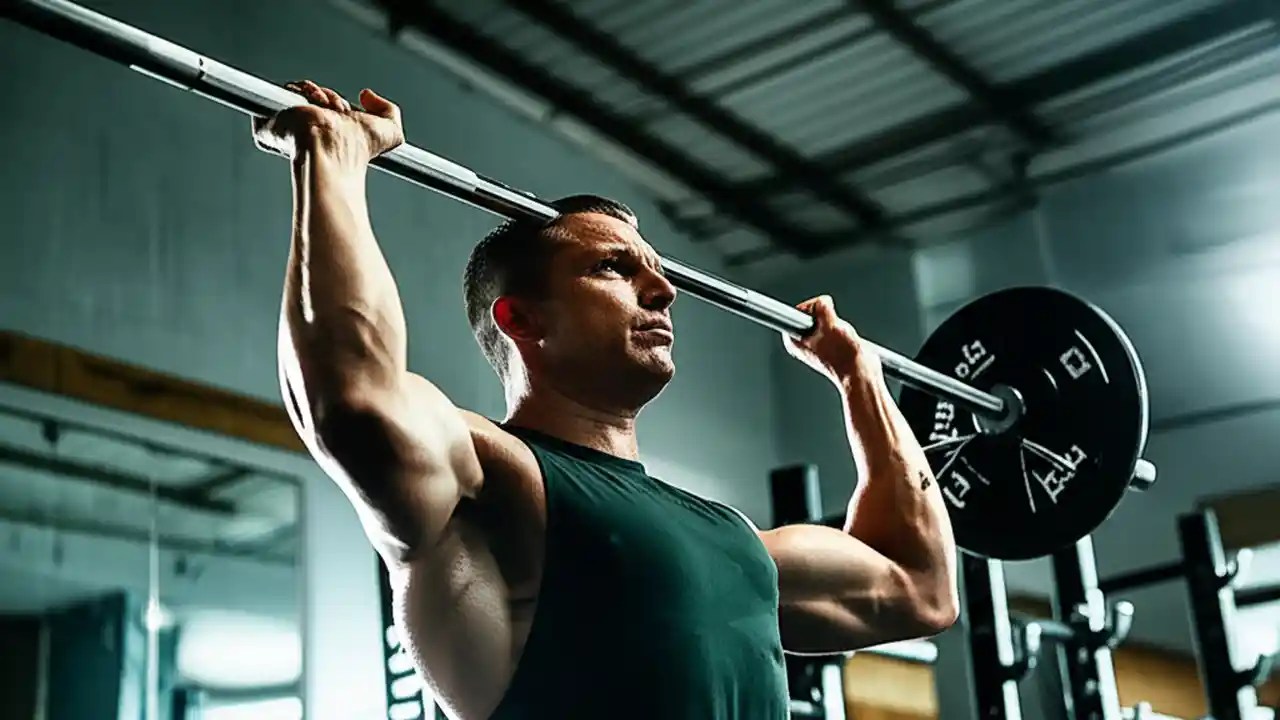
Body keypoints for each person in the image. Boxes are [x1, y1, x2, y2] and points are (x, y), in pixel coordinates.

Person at [257, 80, 958, 720]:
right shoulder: (491, 480)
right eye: (612, 268)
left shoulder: (734, 542)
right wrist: (334, 162)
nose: (662, 290)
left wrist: (858, 376)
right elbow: (352, 399)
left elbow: (919, 586)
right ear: (523, 321)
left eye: (654, 271)